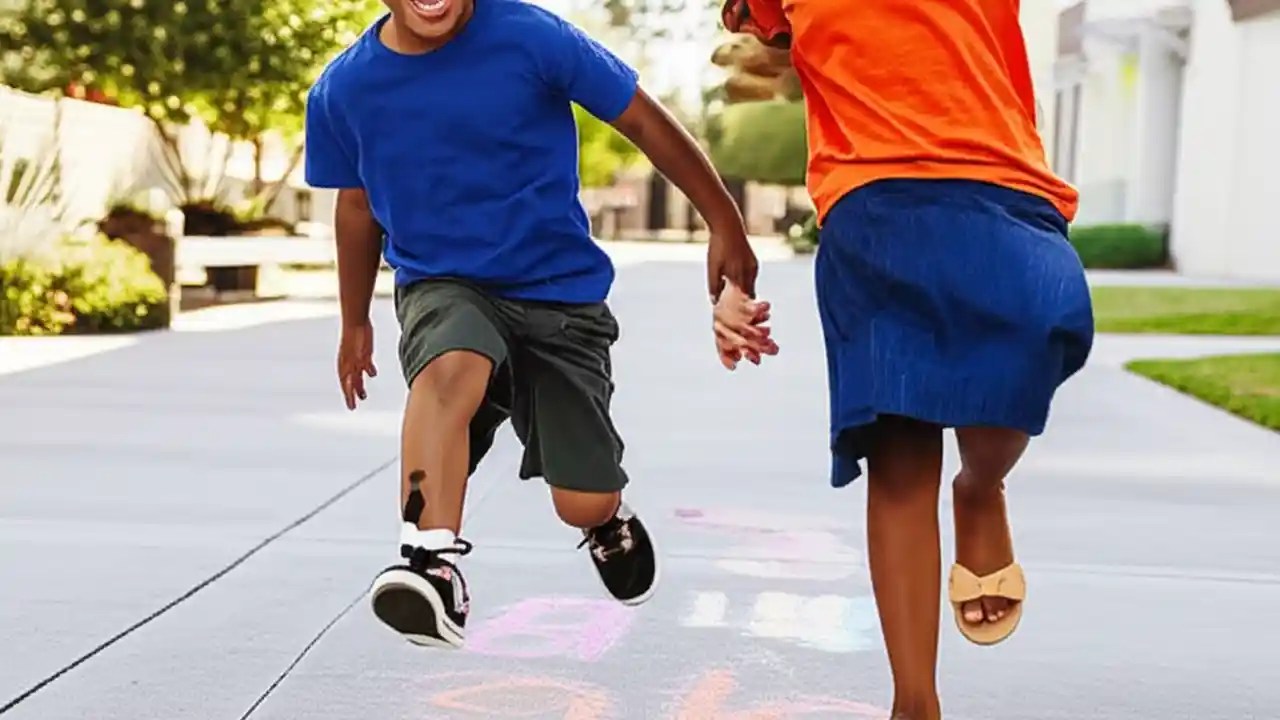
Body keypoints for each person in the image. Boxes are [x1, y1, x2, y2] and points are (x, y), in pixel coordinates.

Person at [304, 0, 773, 649]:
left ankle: (606, 521)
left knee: (580, 499)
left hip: (560, 298)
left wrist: (724, 219)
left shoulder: (531, 36)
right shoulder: (345, 88)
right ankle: (431, 565)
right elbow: (355, 206)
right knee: (448, 370)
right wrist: (354, 321)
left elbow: (640, 117)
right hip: (446, 283)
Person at [717, 0, 1095, 717]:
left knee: (1048, 319)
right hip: (872, 199)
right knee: (899, 454)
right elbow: (760, 37)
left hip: (1004, 182)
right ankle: (914, 700)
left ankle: (981, 486)